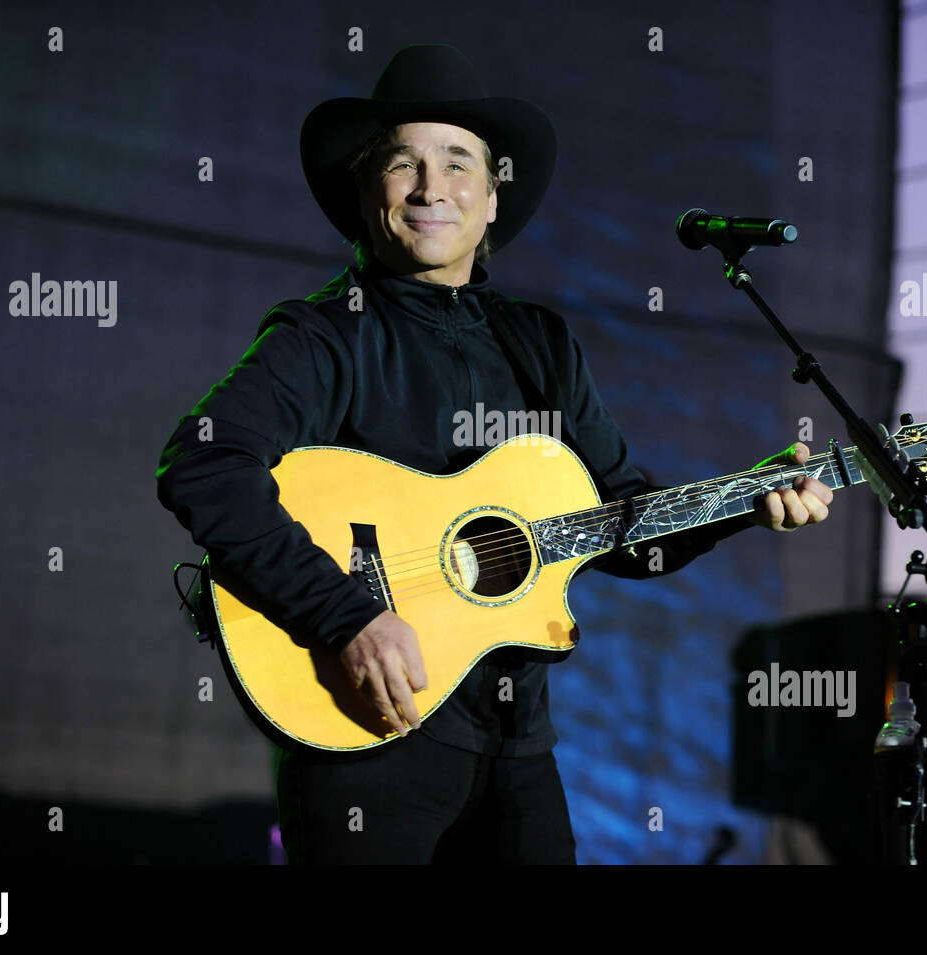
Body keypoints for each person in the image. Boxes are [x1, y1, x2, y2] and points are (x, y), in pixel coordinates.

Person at [156, 43, 834, 864]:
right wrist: (349, 616)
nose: (430, 186)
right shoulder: (325, 337)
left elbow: (619, 520)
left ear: (490, 199)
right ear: (367, 192)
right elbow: (201, 461)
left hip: (517, 748)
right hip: (367, 733)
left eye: (457, 163)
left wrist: (746, 502)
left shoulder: (539, 343)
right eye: (402, 163)